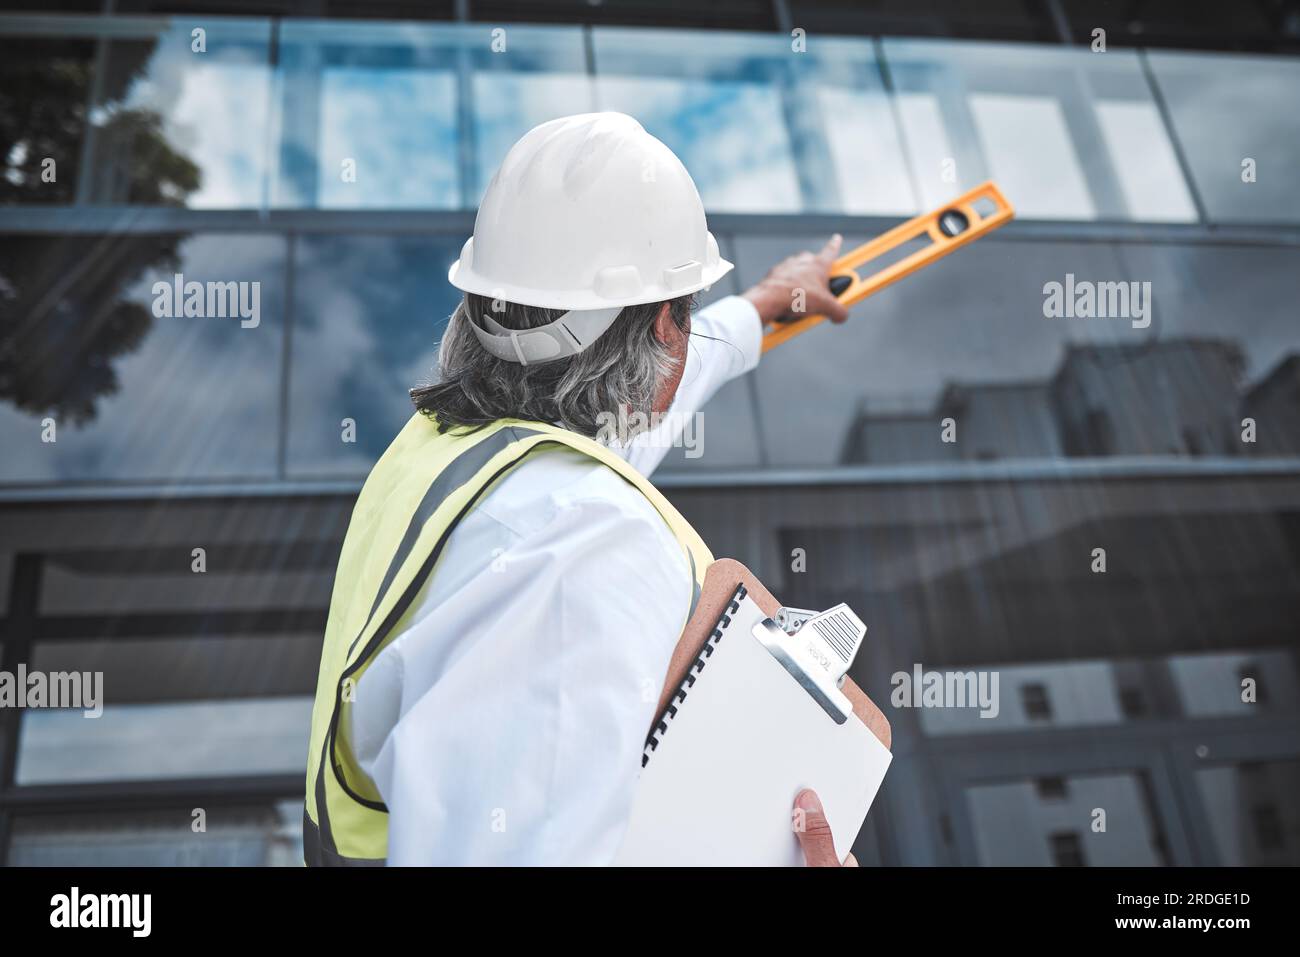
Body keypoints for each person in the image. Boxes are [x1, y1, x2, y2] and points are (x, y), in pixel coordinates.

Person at [304, 112, 852, 866]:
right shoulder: (582, 545)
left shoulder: (456, 452)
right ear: (665, 326)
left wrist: (760, 306)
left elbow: (637, 399)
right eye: (682, 312)